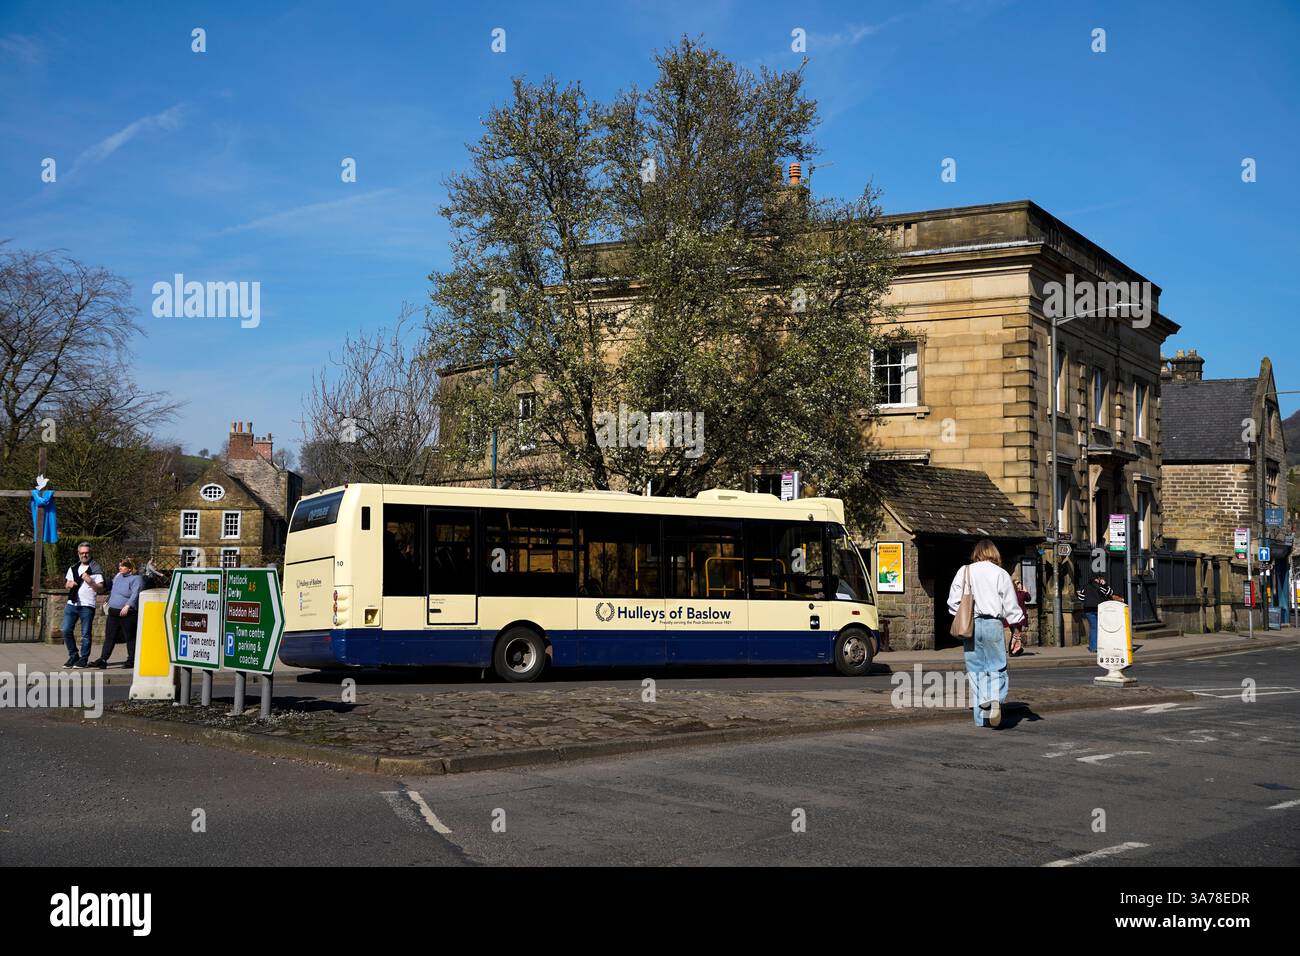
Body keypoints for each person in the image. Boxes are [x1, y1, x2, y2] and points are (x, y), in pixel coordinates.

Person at [948, 539, 1024, 729]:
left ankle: (982, 715)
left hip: (971, 624)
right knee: (996, 665)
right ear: (994, 553)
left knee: (975, 669)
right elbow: (1011, 606)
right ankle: (995, 699)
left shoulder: (964, 571)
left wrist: (965, 614)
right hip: (993, 623)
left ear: (977, 554)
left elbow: (953, 603)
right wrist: (1017, 633)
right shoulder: (1001, 574)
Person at [92, 557, 142, 669]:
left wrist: (128, 605)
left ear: (130, 568)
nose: (120, 567)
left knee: (130, 637)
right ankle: (103, 659)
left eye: (123, 566)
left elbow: (135, 594)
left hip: (127, 613)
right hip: (113, 612)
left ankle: (131, 660)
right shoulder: (118, 576)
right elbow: (111, 587)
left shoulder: (136, 579)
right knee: (110, 637)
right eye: (120, 565)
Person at [62, 542, 105, 668]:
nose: (84, 555)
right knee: (66, 630)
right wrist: (68, 585)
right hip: (72, 603)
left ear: (90, 553)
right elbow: (67, 583)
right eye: (82, 553)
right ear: (78, 554)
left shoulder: (96, 568)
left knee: (85, 634)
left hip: (87, 605)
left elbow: (101, 589)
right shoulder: (73, 568)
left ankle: (84, 659)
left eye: (86, 553)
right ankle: (73, 655)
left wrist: (91, 582)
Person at [1075, 573, 1114, 653]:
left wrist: (1087, 601)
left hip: (1088, 610)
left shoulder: (1085, 587)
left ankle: (1093, 647)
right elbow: (1109, 593)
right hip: (1099, 610)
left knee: (1093, 628)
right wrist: (1105, 584)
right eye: (1099, 579)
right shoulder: (1099, 587)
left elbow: (1080, 597)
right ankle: (1102, 646)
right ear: (1096, 579)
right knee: (1103, 628)